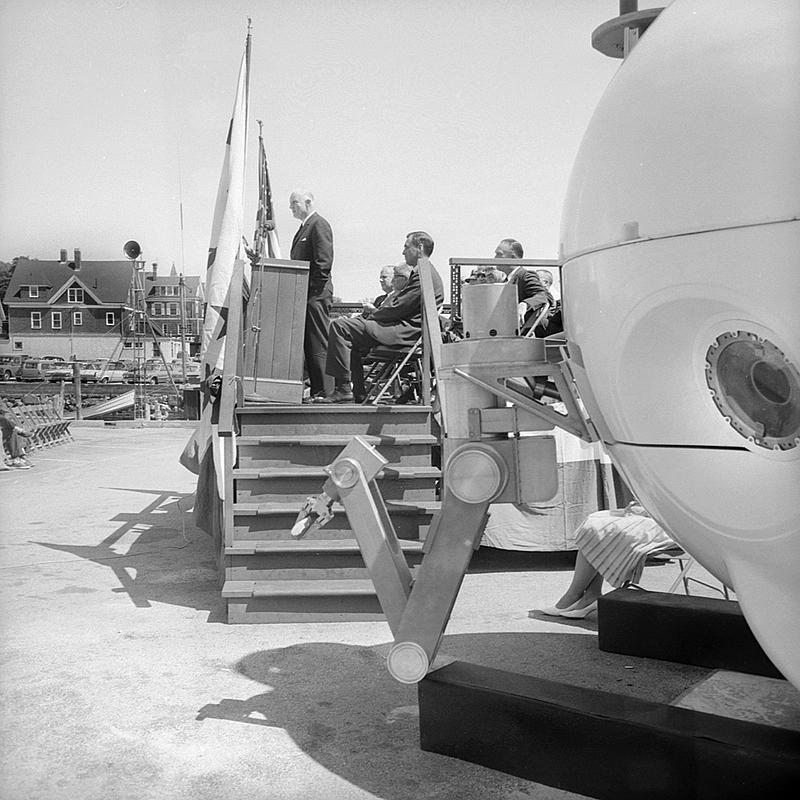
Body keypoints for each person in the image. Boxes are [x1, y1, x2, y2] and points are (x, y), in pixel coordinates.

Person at [318, 231, 444, 403]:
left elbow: (398, 307)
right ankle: (356, 392)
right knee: (349, 333)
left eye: (406, 247)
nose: (403, 252)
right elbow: (400, 306)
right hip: (405, 328)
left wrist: (372, 317)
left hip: (405, 331)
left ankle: (343, 389)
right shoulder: (425, 271)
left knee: (340, 327)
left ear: (420, 247)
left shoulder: (424, 273)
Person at [537, 502, 676, 618]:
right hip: (657, 513)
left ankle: (574, 595)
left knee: (599, 529)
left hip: (673, 526)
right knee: (594, 521)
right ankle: (591, 594)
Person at [289, 189, 335, 400]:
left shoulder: (318, 225)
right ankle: (318, 390)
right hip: (305, 295)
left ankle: (325, 390)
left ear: (307, 202)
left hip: (315, 294)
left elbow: (323, 262)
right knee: (310, 343)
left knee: (318, 342)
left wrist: (310, 290)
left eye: (294, 203)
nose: (291, 208)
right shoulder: (304, 228)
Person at [492, 238, 549, 334]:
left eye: (499, 254)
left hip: (526, 333)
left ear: (513, 258)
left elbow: (543, 296)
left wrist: (524, 305)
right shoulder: (508, 280)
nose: (494, 258)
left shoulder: (525, 275)